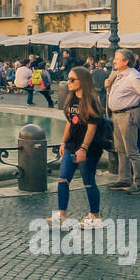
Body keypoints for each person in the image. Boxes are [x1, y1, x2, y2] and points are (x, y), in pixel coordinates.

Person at [49, 66, 106, 229]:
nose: (69, 82)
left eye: (72, 80)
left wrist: (84, 148)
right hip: (71, 145)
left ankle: (95, 216)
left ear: (83, 81)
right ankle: (61, 215)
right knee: (62, 178)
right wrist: (63, 142)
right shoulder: (71, 99)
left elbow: (92, 127)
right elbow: (69, 123)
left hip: (90, 147)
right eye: (68, 79)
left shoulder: (91, 102)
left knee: (88, 181)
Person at [105, 48, 140, 195]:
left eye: (117, 59)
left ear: (126, 61)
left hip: (127, 115)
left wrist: (136, 108)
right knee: (120, 149)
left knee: (131, 150)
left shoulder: (133, 76)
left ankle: (139, 183)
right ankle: (124, 179)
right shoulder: (120, 75)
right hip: (117, 115)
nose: (114, 61)